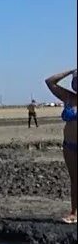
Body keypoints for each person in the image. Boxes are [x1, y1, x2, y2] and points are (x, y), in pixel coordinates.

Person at [45, 68, 77, 224]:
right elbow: (50, 81)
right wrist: (71, 71)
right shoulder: (68, 97)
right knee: (74, 180)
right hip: (69, 145)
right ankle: (74, 213)